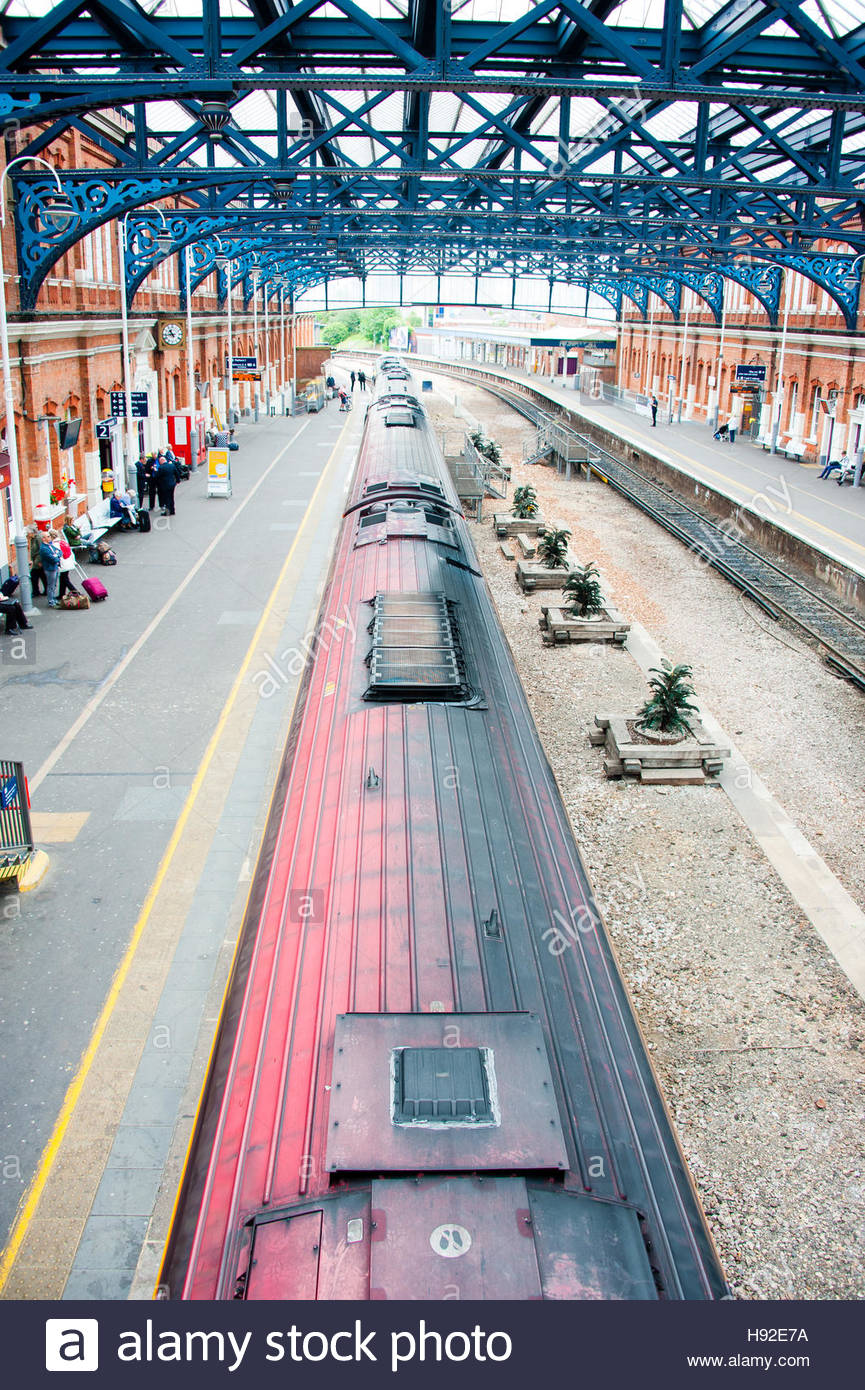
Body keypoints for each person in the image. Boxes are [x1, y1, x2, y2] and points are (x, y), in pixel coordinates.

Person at [39, 529, 62, 608]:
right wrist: (56, 556)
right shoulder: (44, 549)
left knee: (54, 584)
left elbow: (59, 551)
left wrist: (56, 555)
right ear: (43, 538)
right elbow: (53, 559)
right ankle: (50, 600)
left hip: (54, 567)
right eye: (48, 536)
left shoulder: (50, 545)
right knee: (51, 585)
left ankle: (52, 598)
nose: (50, 537)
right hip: (50, 569)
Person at [28, 527, 47, 596]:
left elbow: (41, 550)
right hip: (36, 560)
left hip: (38, 560)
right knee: (42, 575)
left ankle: (36, 591)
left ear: (32, 532)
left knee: (34, 575)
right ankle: (42, 591)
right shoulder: (33, 539)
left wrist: (39, 561)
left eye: (28, 533)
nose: (27, 535)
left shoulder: (38, 538)